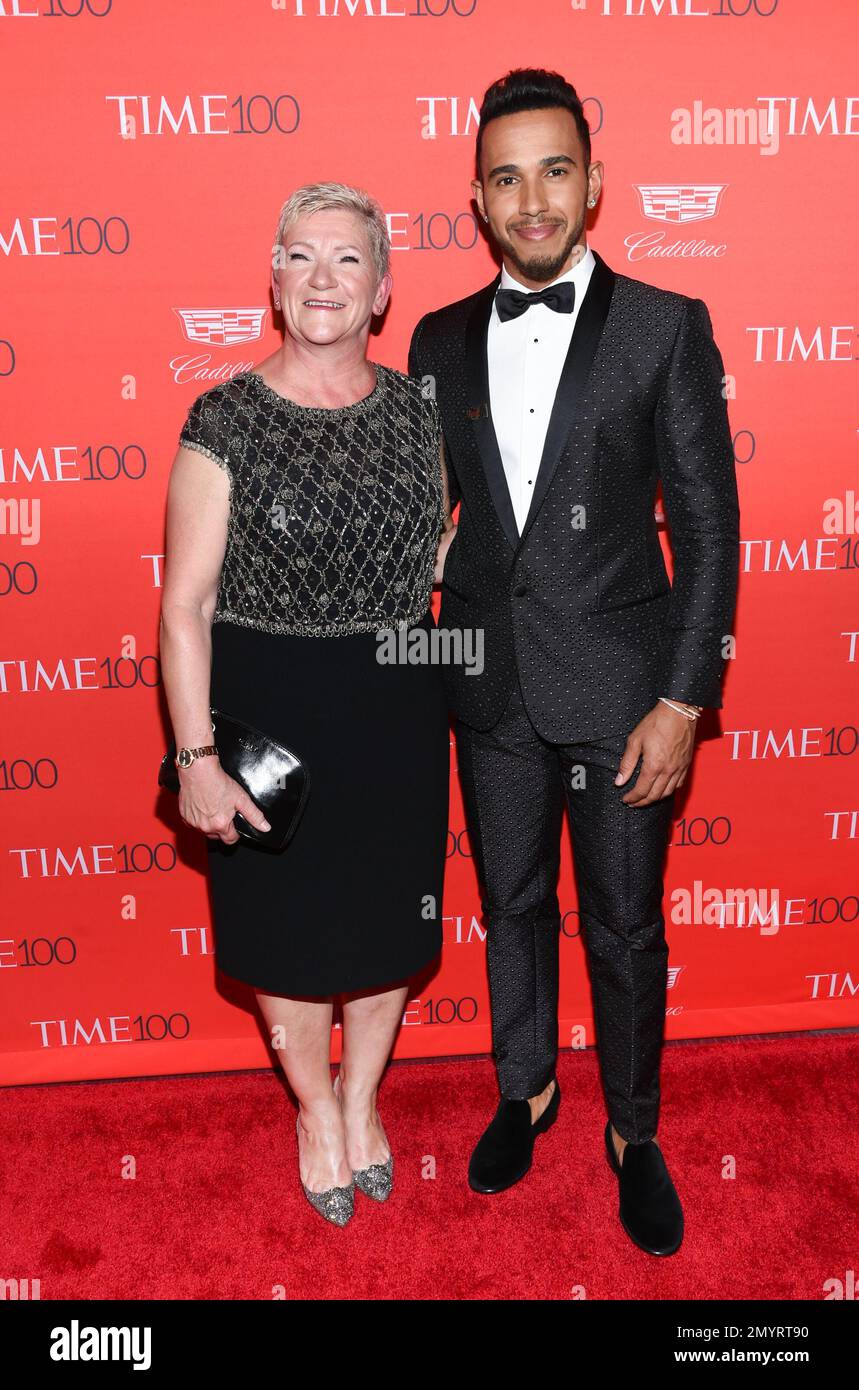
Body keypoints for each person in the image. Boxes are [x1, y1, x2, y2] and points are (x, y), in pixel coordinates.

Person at [409, 69, 740, 1256]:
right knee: (508, 905)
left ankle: (634, 1132)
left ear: (594, 184)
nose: (533, 197)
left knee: (623, 924)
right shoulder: (437, 338)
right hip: (489, 684)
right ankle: (525, 1087)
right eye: (507, 176)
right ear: (478, 199)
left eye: (556, 170)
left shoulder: (664, 324)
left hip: (621, 690)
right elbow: (435, 515)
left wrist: (684, 698)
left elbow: (705, 526)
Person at [159, 182, 456, 1227]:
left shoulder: (422, 413)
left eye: (347, 259)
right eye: (302, 256)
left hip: (396, 709)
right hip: (267, 710)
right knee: (284, 934)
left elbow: (438, 556)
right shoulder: (225, 417)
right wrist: (196, 757)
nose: (323, 277)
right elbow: (184, 605)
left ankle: (365, 1095)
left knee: (384, 930)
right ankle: (316, 1109)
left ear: (382, 290)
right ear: (273, 278)